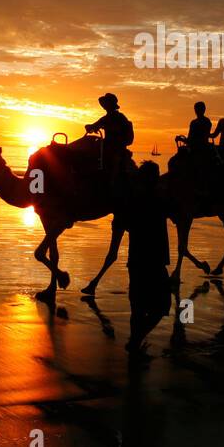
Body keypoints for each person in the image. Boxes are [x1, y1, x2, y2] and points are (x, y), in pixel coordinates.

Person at [125, 161, 172, 358]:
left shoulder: (133, 199)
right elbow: (177, 213)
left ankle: (135, 341)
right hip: (155, 260)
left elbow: (124, 224)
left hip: (136, 259)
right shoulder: (159, 199)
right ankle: (136, 340)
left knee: (137, 307)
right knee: (162, 306)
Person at [85, 92, 134, 183]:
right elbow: (94, 126)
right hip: (112, 148)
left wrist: (92, 127)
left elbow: (95, 126)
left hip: (114, 149)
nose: (104, 106)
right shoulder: (111, 117)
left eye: (106, 104)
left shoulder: (115, 117)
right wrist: (91, 127)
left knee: (110, 170)